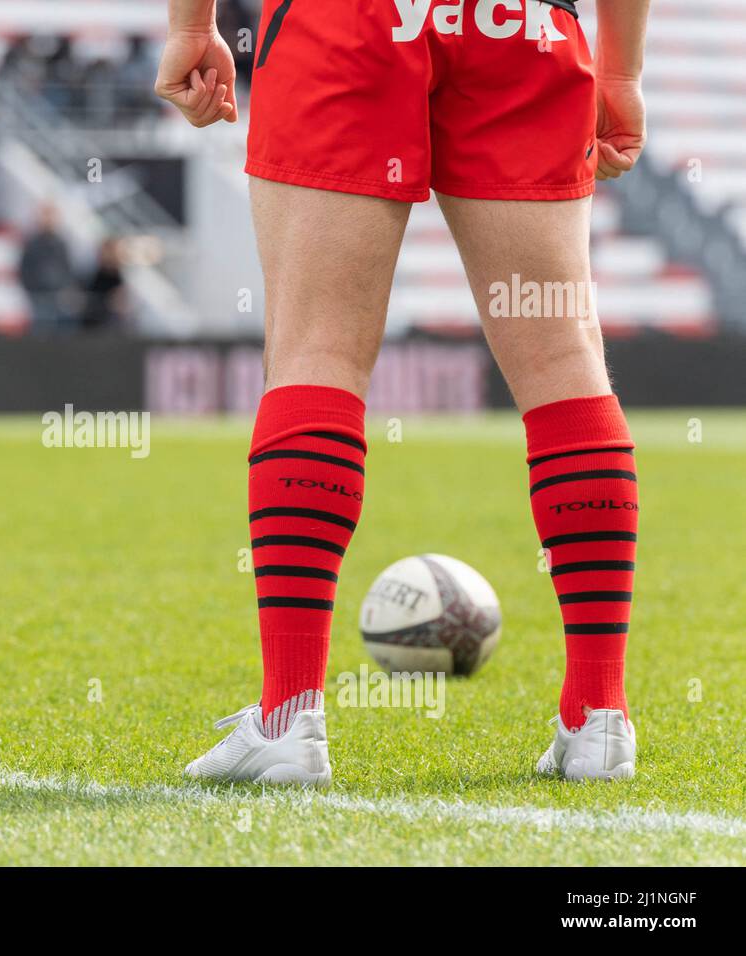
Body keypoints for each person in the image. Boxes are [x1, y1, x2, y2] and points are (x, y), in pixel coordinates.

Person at [158, 0, 649, 785]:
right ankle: (599, 718)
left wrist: (191, 24)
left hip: (348, 19)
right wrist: (619, 70)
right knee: (563, 359)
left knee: (317, 348)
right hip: (518, 23)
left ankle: (289, 718)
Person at [18, 203, 77, 331]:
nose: (48, 220)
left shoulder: (61, 243)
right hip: (39, 295)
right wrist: (33, 290)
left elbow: (67, 269)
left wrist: (65, 288)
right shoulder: (32, 244)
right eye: (45, 216)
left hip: (58, 295)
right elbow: (24, 270)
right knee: (42, 329)